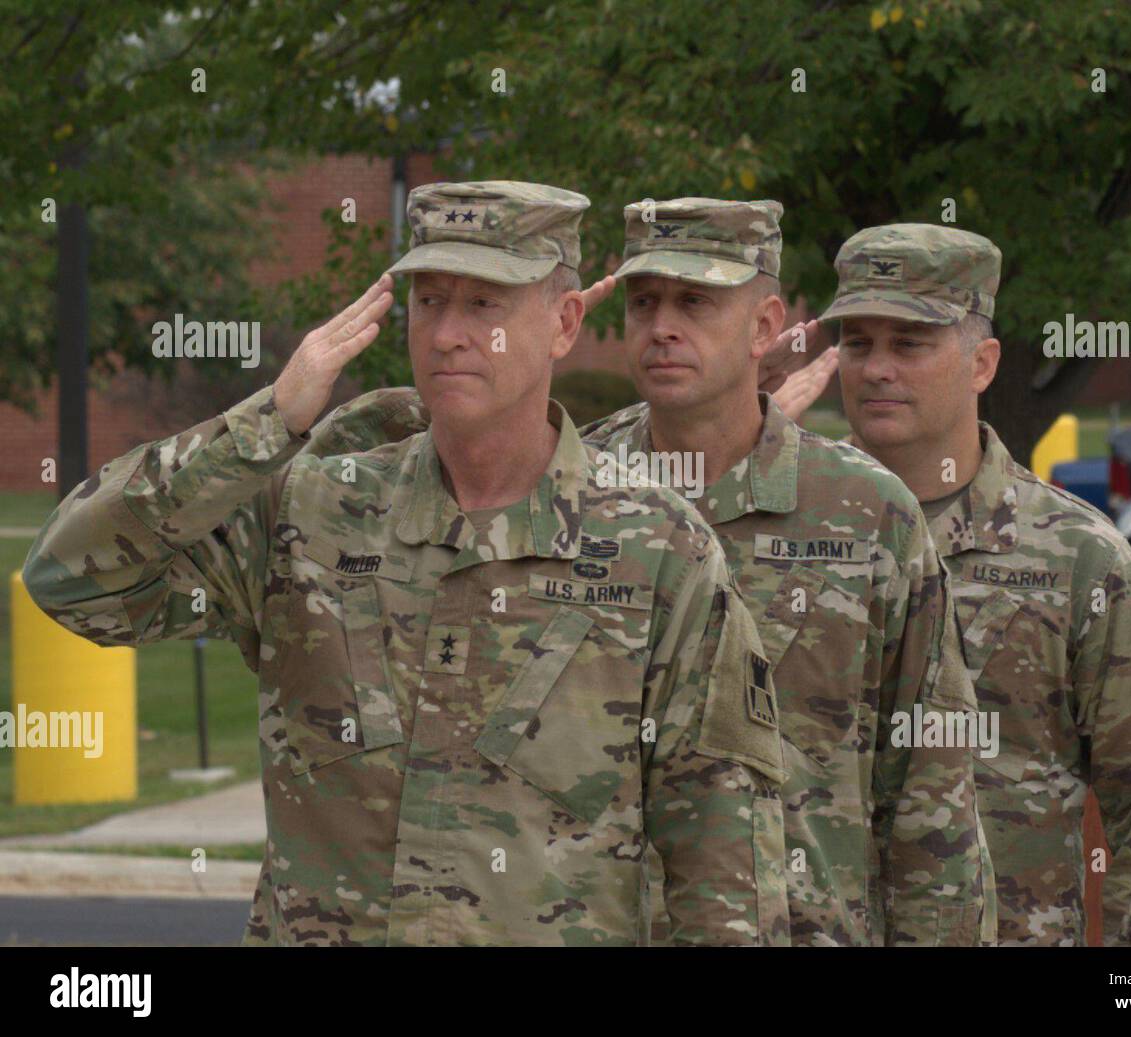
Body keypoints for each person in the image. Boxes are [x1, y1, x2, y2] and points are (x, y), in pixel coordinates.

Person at [22, 180, 791, 947]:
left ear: (562, 324)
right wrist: (266, 424)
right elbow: (69, 579)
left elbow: (725, 870)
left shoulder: (657, 550)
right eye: (430, 301)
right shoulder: (311, 513)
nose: (448, 333)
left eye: (484, 304)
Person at [772, 222, 1131, 946]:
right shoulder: (773, 534)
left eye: (909, 343)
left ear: (982, 363)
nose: (877, 368)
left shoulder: (1080, 560)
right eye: (858, 343)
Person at [579, 198, 989, 946]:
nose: (662, 326)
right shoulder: (575, 490)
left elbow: (930, 799)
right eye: (645, 303)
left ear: (766, 327)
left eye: (695, 301)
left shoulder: (867, 514)